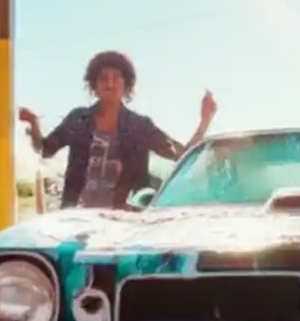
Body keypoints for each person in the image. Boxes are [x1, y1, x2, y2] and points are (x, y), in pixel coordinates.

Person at [18, 50, 217, 210]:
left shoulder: (140, 126)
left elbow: (181, 156)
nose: (110, 83)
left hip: (123, 222)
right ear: (94, 85)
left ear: (126, 84)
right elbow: (45, 149)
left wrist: (204, 121)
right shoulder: (78, 119)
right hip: (76, 218)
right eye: (103, 78)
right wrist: (34, 124)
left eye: (117, 78)